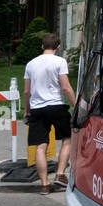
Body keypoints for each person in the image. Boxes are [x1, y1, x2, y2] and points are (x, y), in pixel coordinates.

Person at [23, 33, 76, 194]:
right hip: (56, 106)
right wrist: (76, 105)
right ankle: (60, 174)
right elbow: (66, 87)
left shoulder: (30, 64)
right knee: (68, 138)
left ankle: (45, 184)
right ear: (58, 47)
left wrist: (27, 111)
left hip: (37, 109)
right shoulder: (60, 61)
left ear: (42, 46)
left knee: (40, 146)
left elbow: (26, 91)